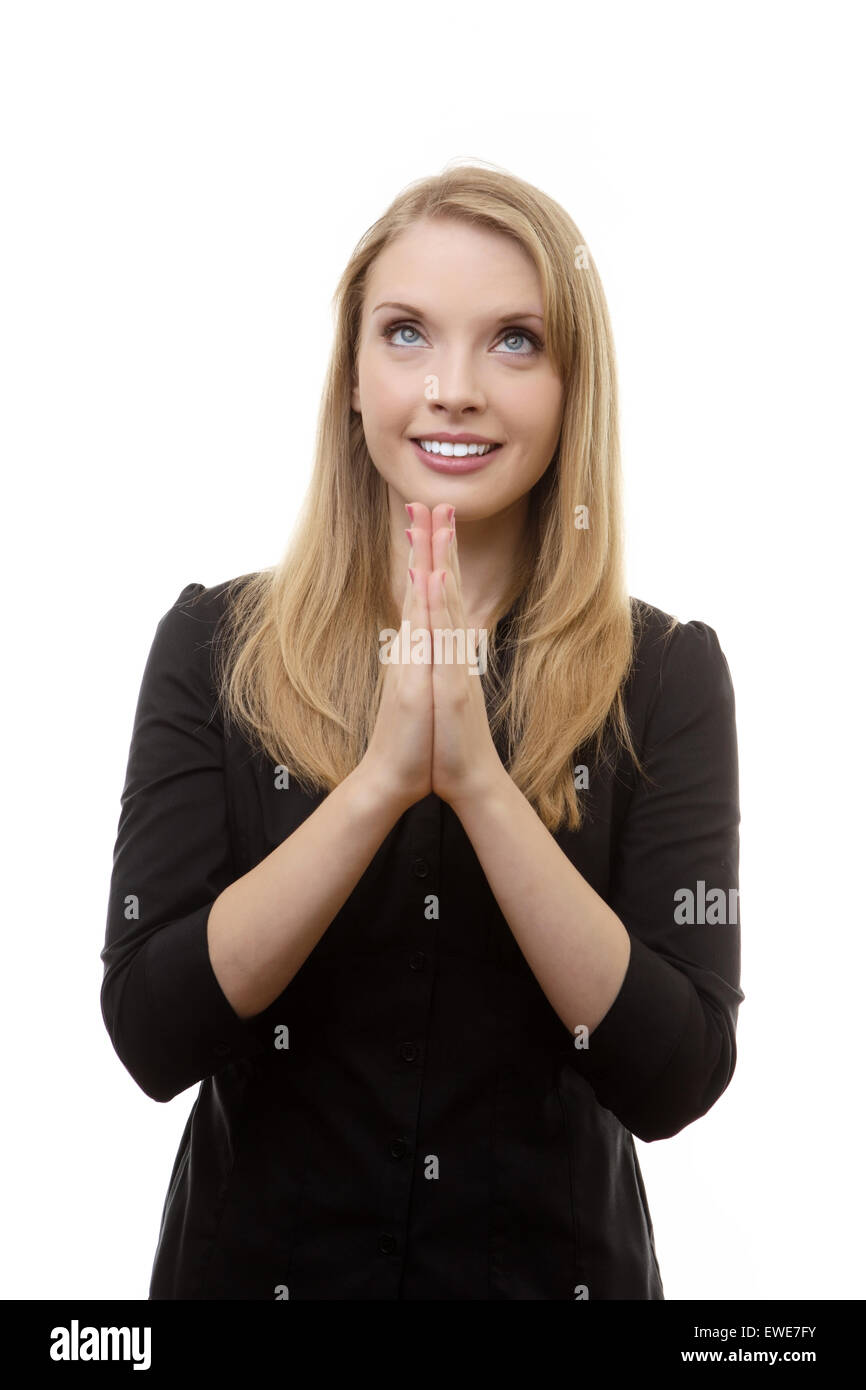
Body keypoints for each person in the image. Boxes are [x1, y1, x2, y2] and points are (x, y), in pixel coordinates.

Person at [100, 162, 743, 1300]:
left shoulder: (665, 674)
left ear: (570, 385)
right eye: (405, 335)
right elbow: (152, 1034)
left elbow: (675, 1075)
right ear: (350, 376)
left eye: (512, 342)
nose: (452, 387)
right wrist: (379, 785)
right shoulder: (213, 644)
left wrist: (483, 788)